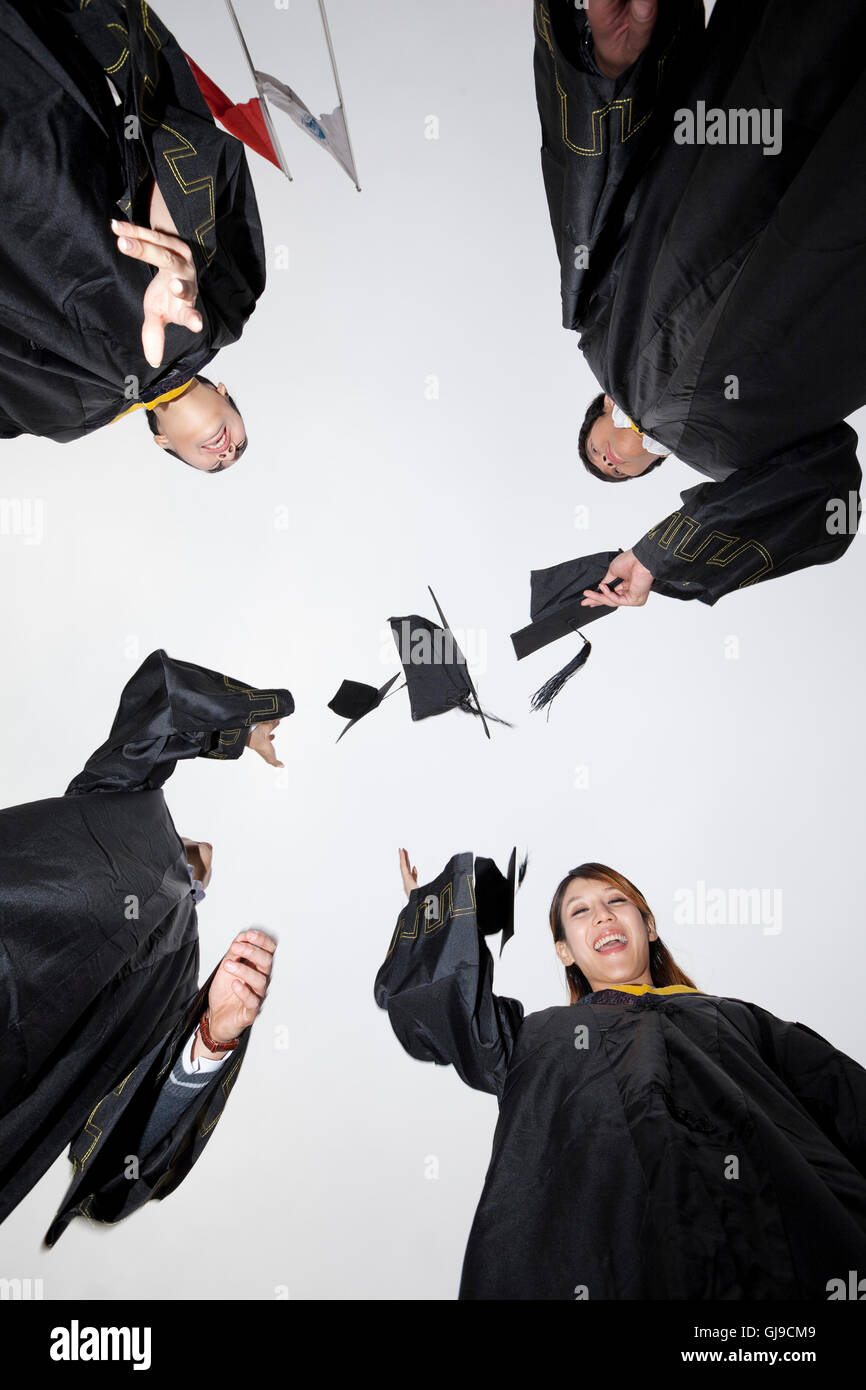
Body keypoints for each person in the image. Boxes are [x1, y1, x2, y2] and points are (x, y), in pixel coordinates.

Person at [376, 848, 866, 1299]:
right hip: (606, 1255)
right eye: (580, 911)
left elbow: (844, 1096)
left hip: (771, 1244)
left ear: (648, 926)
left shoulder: (737, 1019)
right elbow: (451, 1010)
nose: (603, 915)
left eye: (616, 901)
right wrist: (433, 913)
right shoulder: (533, 1039)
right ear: (565, 950)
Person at [534, 0, 866, 609]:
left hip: (760, 102)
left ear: (600, 408)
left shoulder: (599, 331)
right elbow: (829, 493)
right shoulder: (738, 467)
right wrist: (660, 558)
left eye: (593, 449)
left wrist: (613, 66)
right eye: (613, 473)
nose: (606, 460)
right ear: (643, 475)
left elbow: (595, 197)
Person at [0, 650, 292, 1244]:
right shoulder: (119, 801)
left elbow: (113, 1163)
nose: (200, 863)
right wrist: (247, 718)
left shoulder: (176, 977)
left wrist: (212, 1039)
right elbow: (159, 694)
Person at [0, 0, 264, 471]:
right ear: (224, 393)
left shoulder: (64, 419)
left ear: (164, 444)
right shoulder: (226, 307)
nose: (227, 451)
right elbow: (191, 143)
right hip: (35, 106)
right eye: (240, 446)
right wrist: (174, 241)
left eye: (220, 464)